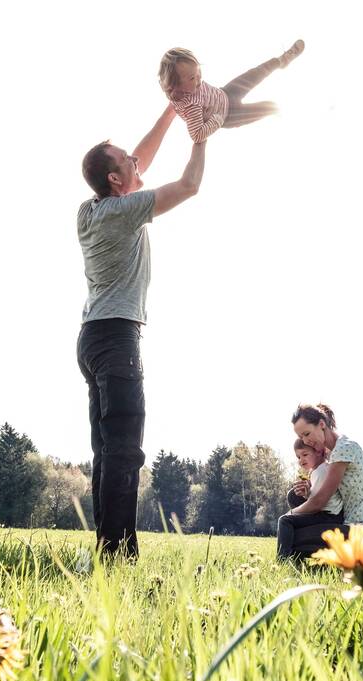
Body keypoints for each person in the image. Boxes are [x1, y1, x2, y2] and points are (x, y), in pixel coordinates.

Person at [77, 114, 206, 559]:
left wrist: (171, 110)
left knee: (107, 451)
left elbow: (138, 161)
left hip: (92, 340)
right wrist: (200, 139)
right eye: (126, 163)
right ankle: (115, 555)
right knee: (125, 452)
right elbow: (188, 186)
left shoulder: (90, 210)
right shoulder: (123, 211)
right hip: (116, 340)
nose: (137, 161)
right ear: (115, 179)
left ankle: (107, 550)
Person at [279, 403, 363, 562]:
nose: (306, 441)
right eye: (301, 437)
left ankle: (290, 563)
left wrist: (289, 516)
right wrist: (308, 491)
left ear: (322, 424)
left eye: (307, 434)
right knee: (294, 498)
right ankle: (322, 561)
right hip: (348, 524)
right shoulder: (332, 452)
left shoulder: (344, 449)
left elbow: (319, 502)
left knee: (291, 534)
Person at [158, 40, 305, 143]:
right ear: (176, 86)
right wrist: (217, 120)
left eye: (198, 73)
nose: (199, 79)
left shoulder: (189, 86)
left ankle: (282, 60)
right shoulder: (191, 106)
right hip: (229, 115)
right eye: (192, 78)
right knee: (268, 107)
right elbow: (196, 135)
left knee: (255, 73)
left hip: (226, 93)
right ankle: (286, 112)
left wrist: (194, 79)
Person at [277, 437, 345, 561]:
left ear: (319, 452)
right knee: (293, 495)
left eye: (305, 454)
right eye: (298, 457)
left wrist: (292, 513)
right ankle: (296, 552)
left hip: (329, 516)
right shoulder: (318, 470)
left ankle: (283, 560)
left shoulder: (321, 472)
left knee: (285, 521)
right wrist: (307, 494)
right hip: (327, 512)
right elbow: (318, 497)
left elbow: (316, 504)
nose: (301, 460)